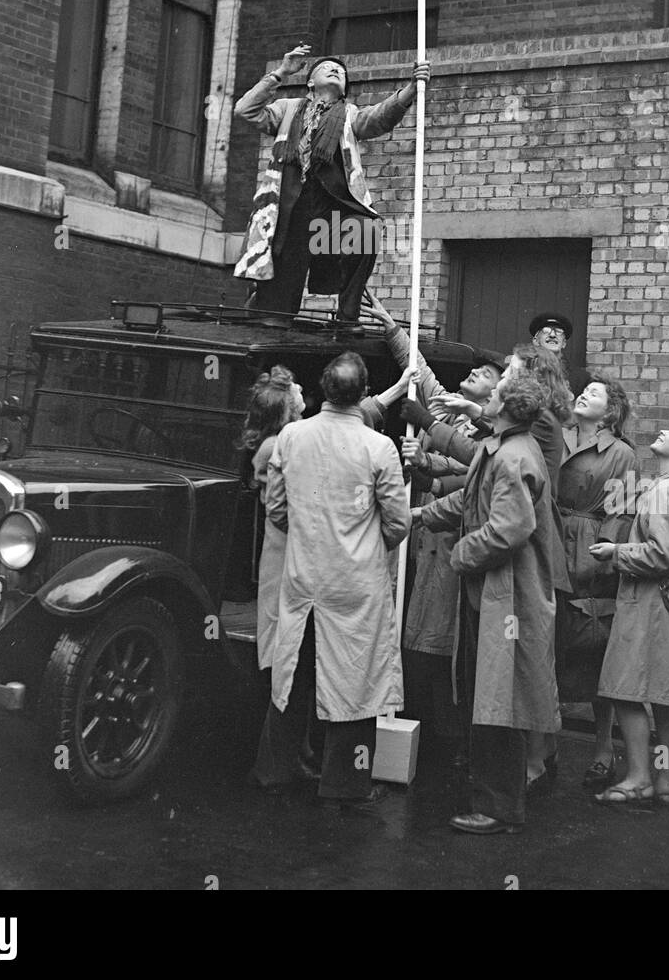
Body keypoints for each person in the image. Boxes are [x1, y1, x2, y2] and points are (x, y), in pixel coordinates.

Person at [251, 351, 411, 808]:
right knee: (356, 681)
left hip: (303, 578)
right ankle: (346, 784)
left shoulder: (291, 438)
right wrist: (361, 542)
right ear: (362, 393)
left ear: (322, 390)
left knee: (293, 673)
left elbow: (276, 511)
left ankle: (273, 770)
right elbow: (398, 523)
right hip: (356, 584)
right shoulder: (378, 447)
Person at [418, 373, 560, 834]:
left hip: (509, 596)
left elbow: (509, 528)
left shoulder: (514, 455)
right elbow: (469, 500)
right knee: (490, 694)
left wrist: (461, 555)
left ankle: (498, 808)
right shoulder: (500, 448)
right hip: (496, 594)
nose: (488, 395)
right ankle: (495, 800)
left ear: (503, 406)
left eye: (495, 392)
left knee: (500, 700)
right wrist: (422, 514)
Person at [367, 294, 505, 754]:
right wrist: (391, 326)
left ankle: (450, 739)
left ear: (496, 394)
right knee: (413, 626)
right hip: (420, 537)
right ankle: (415, 723)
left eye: (484, 374)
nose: (472, 374)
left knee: (445, 639)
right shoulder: (444, 405)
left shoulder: (489, 433)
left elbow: (476, 478)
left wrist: (427, 461)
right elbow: (418, 370)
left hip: (453, 540)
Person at [233, 43, 430, 330]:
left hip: (331, 212)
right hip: (289, 211)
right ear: (310, 82)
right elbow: (245, 110)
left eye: (341, 71)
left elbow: (379, 118)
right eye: (327, 68)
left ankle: (348, 317)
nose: (336, 70)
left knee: (366, 229)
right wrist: (281, 73)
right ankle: (266, 314)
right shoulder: (287, 109)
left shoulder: (349, 115)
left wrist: (411, 89)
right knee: (272, 316)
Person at [590, 412, 669, 808]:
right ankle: (666, 782)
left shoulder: (666, 490)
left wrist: (617, 551)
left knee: (626, 691)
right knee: (665, 698)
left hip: (651, 608)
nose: (664, 431)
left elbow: (662, 554)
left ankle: (639, 778)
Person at [558, 375, 639, 789]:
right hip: (552, 538)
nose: (583, 393)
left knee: (595, 648)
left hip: (591, 551)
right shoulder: (557, 435)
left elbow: (622, 509)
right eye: (582, 389)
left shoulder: (621, 453)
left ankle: (604, 747)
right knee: (551, 643)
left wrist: (605, 549)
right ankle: (543, 746)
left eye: (594, 392)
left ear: (610, 411)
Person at [237, 366, 306, 674]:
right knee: (277, 608)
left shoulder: (278, 440)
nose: (301, 389)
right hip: (285, 538)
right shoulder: (280, 443)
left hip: (280, 538)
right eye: (295, 390)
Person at [528, 310, 590, 398]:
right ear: (536, 340)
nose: (552, 335)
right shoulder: (523, 370)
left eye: (558, 331)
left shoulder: (582, 379)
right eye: (546, 331)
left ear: (564, 343)